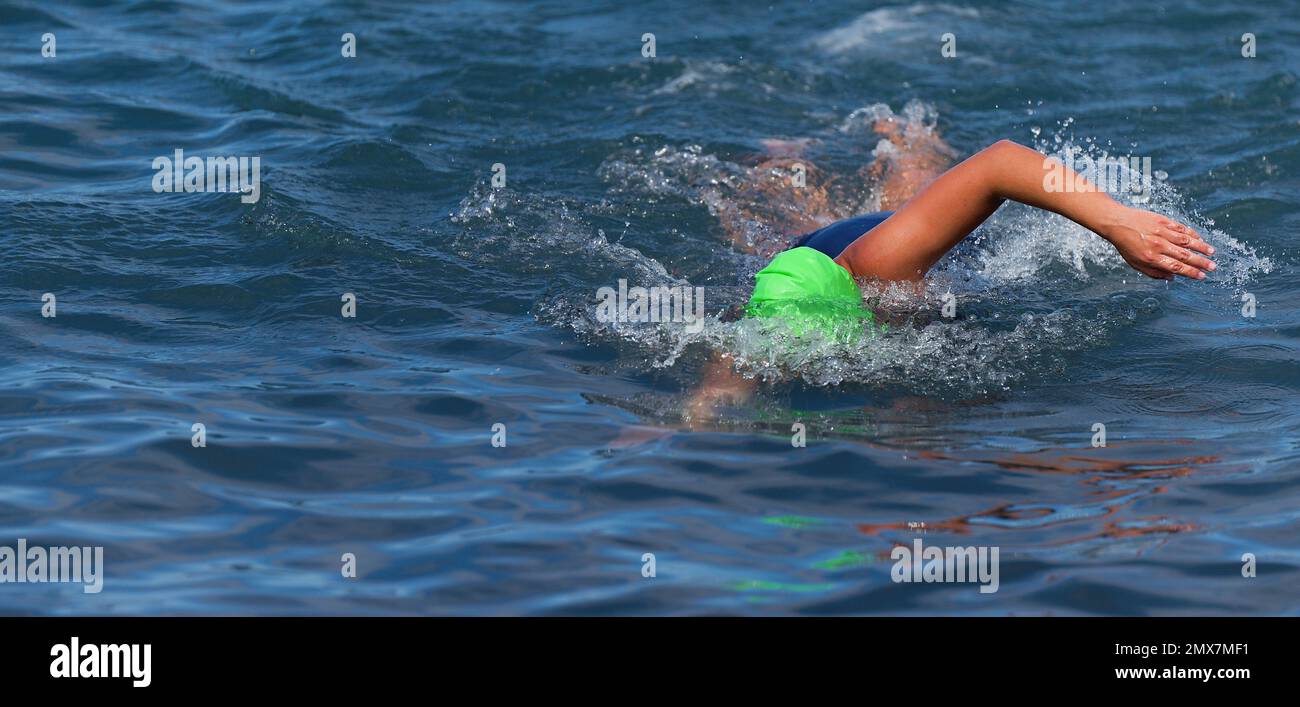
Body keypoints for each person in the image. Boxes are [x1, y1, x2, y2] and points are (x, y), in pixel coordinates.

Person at [686, 122, 1217, 423]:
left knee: (907, 194)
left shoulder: (883, 272)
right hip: (815, 259)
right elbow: (714, 394)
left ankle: (901, 136)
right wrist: (690, 418)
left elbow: (1001, 162)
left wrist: (1118, 222)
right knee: (785, 224)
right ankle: (793, 157)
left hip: (891, 241)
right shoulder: (762, 328)